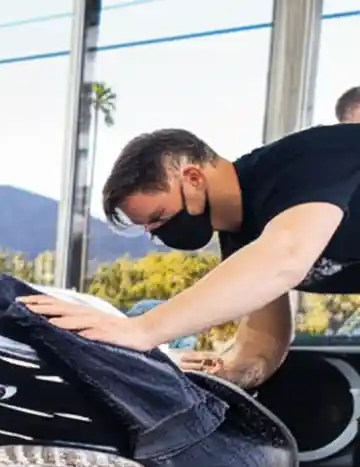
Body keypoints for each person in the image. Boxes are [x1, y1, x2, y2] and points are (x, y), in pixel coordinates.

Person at [18, 123, 360, 389]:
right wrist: (213, 372)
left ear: (193, 178)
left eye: (159, 218)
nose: (158, 235)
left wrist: (142, 330)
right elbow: (262, 346)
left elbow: (286, 258)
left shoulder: (301, 161)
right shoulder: (244, 241)